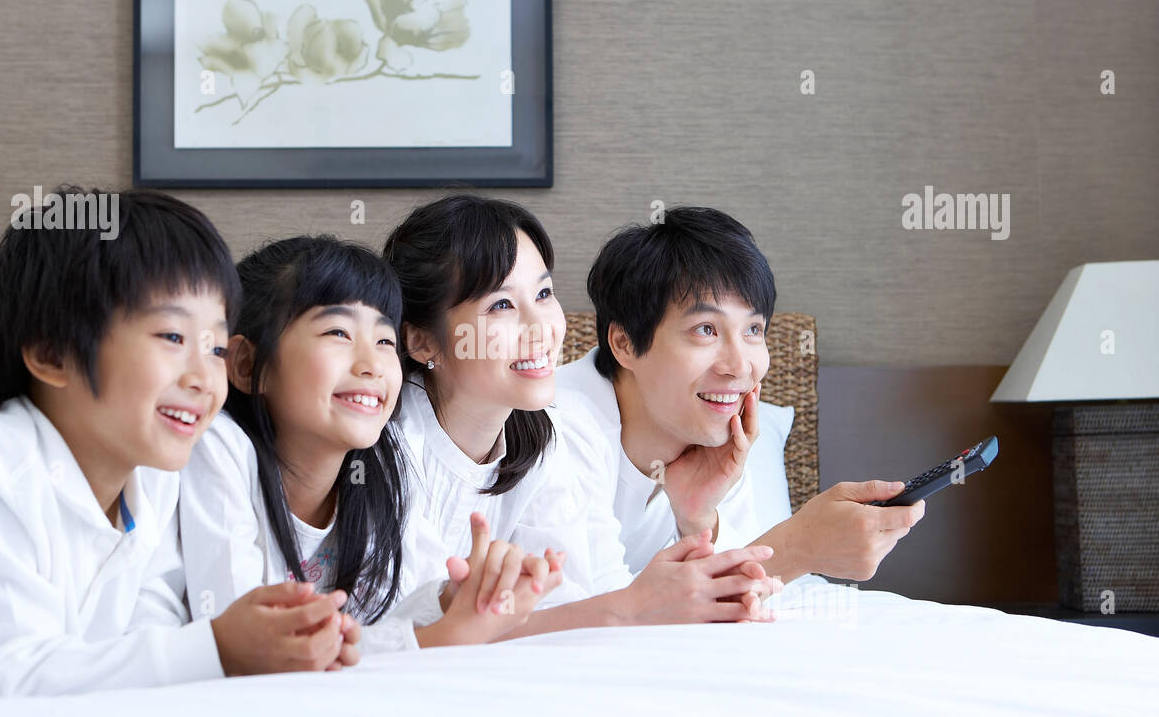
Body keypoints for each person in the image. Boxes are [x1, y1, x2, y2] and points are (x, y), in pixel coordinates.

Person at [0, 188, 355, 695]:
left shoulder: (154, 477)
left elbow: (148, 609)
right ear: (53, 353)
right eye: (172, 338)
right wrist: (216, 648)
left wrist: (281, 642)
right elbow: (3, 673)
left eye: (216, 348)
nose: (205, 378)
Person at [382, 193, 781, 637]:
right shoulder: (386, 447)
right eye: (501, 305)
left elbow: (579, 603)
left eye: (544, 294)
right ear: (421, 342)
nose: (542, 328)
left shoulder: (539, 438)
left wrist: (691, 536)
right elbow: (393, 631)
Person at [179, 236, 564, 655]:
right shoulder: (217, 450)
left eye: (384, 342)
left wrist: (453, 599)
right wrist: (443, 636)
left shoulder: (380, 465)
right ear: (248, 365)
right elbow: (249, 648)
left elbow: (399, 608)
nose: (372, 365)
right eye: (338, 332)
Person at [555, 205, 926, 585]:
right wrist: (799, 546)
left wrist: (698, 518)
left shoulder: (709, 434)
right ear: (625, 343)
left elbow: (738, 606)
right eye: (705, 329)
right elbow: (602, 614)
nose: (739, 365)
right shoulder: (558, 426)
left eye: (753, 329)